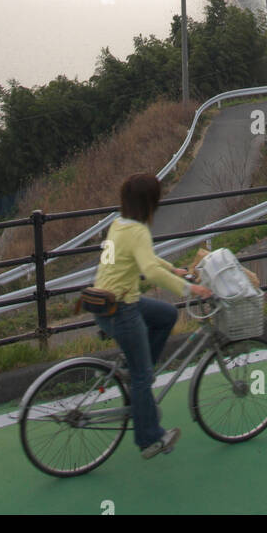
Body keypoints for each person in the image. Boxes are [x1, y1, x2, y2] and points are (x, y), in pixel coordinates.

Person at [91, 172, 213, 460]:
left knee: (166, 314)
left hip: (102, 302)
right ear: (150, 202)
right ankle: (150, 438)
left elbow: (146, 260)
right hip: (121, 308)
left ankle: (138, 373)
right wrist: (190, 288)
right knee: (143, 376)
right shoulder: (138, 231)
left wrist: (173, 268)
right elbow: (150, 270)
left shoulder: (120, 225)